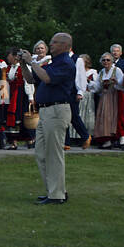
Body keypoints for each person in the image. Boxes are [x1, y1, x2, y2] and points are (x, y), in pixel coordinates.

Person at [22, 33, 75, 204]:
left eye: (54, 42)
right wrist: (24, 64)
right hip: (46, 112)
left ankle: (57, 195)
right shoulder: (54, 63)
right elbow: (32, 78)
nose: (51, 45)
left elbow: (46, 78)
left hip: (57, 110)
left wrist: (32, 61)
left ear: (65, 45)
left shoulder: (66, 63)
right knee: (41, 153)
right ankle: (54, 190)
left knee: (54, 154)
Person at [92, 52, 124, 148]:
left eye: (108, 60)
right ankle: (106, 139)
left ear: (112, 61)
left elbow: (122, 85)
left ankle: (120, 139)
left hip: (115, 95)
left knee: (114, 116)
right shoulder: (102, 72)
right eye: (104, 60)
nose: (106, 62)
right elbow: (98, 87)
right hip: (105, 96)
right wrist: (90, 85)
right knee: (104, 117)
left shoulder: (116, 70)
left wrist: (116, 82)